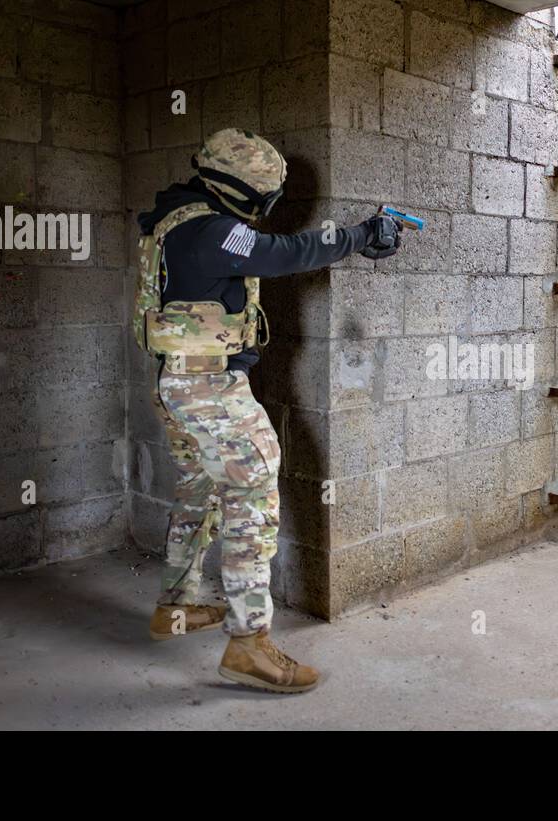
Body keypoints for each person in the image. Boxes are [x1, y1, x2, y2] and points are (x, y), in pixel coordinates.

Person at [135, 128, 401, 693]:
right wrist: (362, 235)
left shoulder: (173, 220)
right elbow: (284, 254)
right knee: (252, 494)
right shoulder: (210, 231)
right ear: (245, 191)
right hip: (209, 388)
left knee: (199, 490)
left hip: (178, 383)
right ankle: (248, 644)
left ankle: (174, 607)